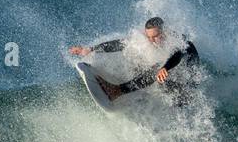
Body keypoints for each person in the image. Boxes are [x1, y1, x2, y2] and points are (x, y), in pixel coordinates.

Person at [69, 17, 198, 101]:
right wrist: (91, 49)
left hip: (186, 86)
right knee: (138, 62)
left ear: (164, 31)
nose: (152, 41)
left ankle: (117, 91)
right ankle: (136, 95)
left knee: (157, 69)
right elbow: (120, 44)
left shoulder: (179, 41)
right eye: (149, 37)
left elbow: (177, 54)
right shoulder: (149, 39)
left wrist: (165, 67)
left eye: (156, 36)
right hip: (170, 76)